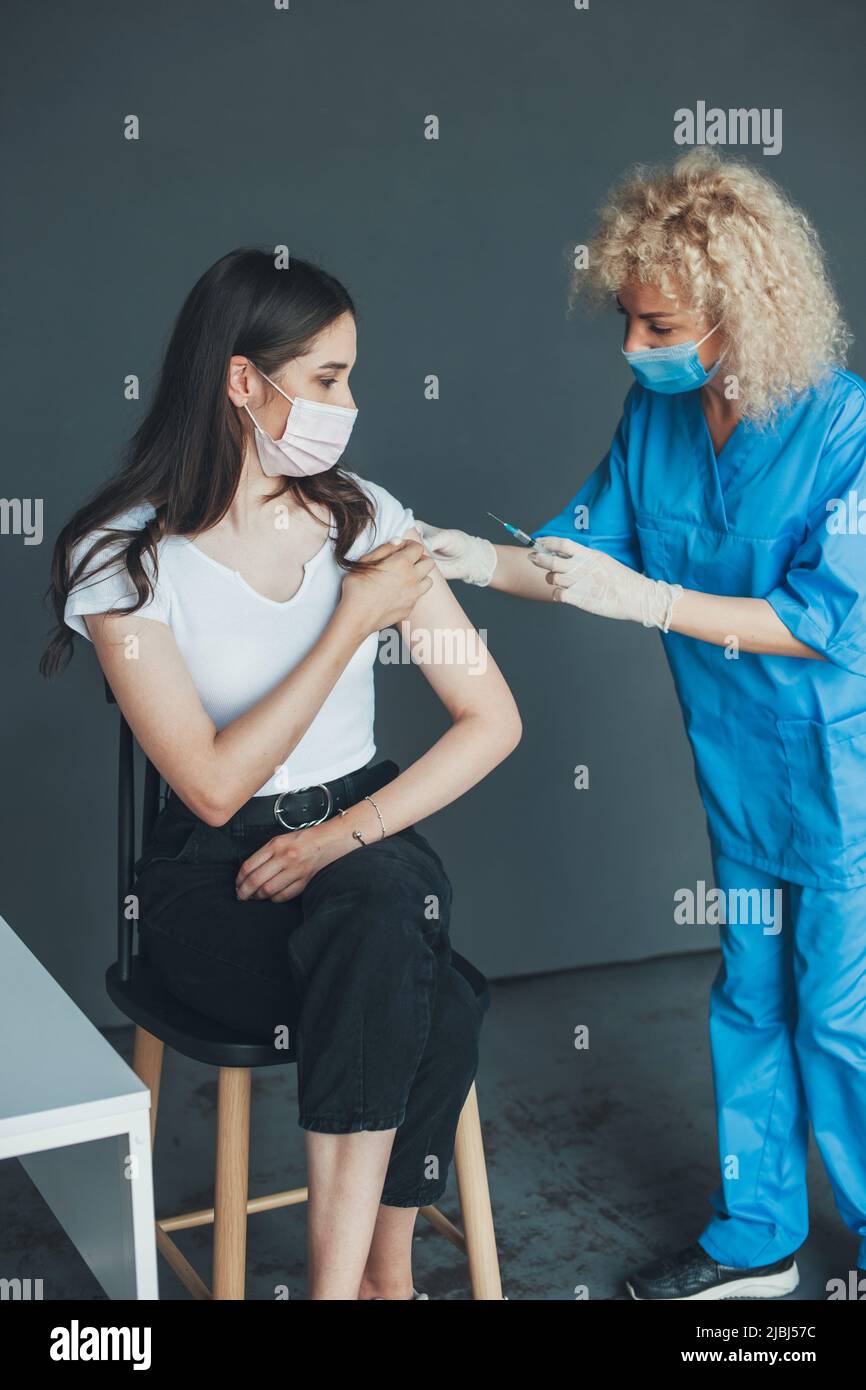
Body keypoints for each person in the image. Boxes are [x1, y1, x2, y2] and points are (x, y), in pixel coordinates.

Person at [417, 151, 866, 1300]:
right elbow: (583, 557)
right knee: (746, 996)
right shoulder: (653, 418)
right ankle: (756, 1237)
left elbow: (831, 621)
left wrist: (660, 602)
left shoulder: (844, 431)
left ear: (739, 310)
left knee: (835, 1015)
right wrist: (472, 562)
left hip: (843, 777)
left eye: (655, 322)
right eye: (624, 318)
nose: (631, 346)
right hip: (738, 779)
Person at [40, 249, 522, 1301]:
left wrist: (338, 833)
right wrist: (349, 620)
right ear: (239, 380)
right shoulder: (120, 558)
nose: (347, 406)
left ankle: (351, 1280)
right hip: (212, 876)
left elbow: (491, 718)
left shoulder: (367, 520)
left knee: (385, 905)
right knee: (435, 991)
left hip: (360, 838)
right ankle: (372, 1277)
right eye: (327, 378)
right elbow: (212, 788)